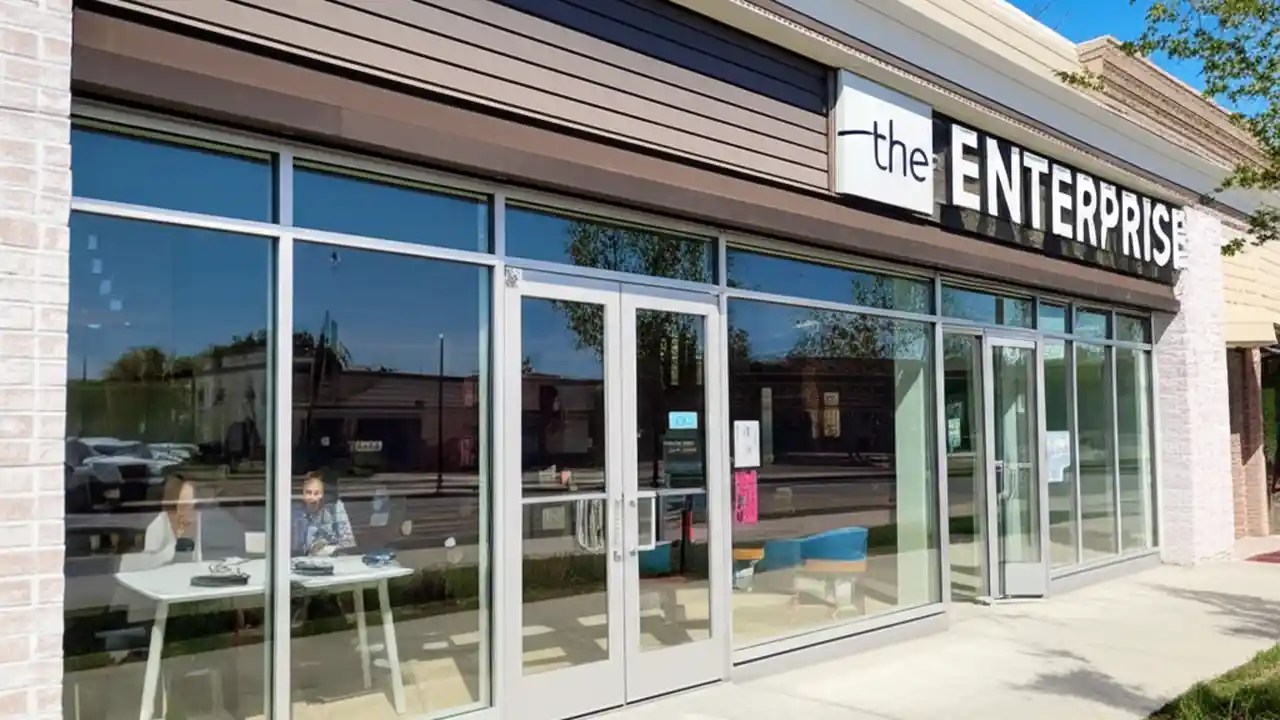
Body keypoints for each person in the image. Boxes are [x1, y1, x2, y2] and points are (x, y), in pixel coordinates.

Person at [291, 471, 356, 557]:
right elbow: (293, 547)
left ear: (322, 494)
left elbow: (348, 542)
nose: (312, 497)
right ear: (303, 494)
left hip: (333, 559)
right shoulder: (297, 513)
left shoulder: (335, 508)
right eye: (308, 492)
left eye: (316, 493)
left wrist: (329, 549)